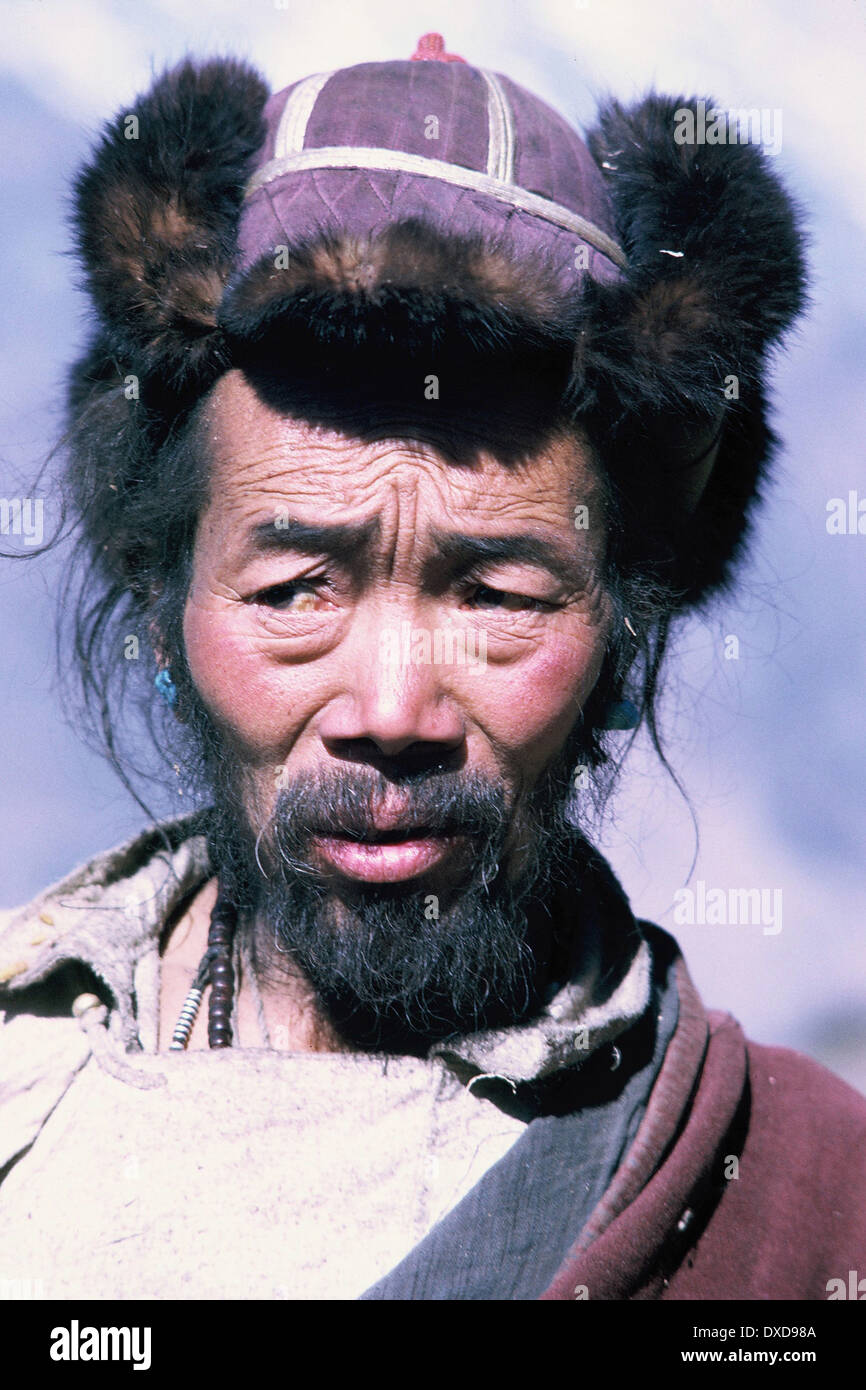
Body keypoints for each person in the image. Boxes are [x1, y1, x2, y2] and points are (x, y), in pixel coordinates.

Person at [1, 34, 863, 1302]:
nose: (391, 711)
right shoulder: (29, 1084)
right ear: (166, 588)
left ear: (621, 625)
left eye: (496, 595)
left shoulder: (803, 1203)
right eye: (296, 589)